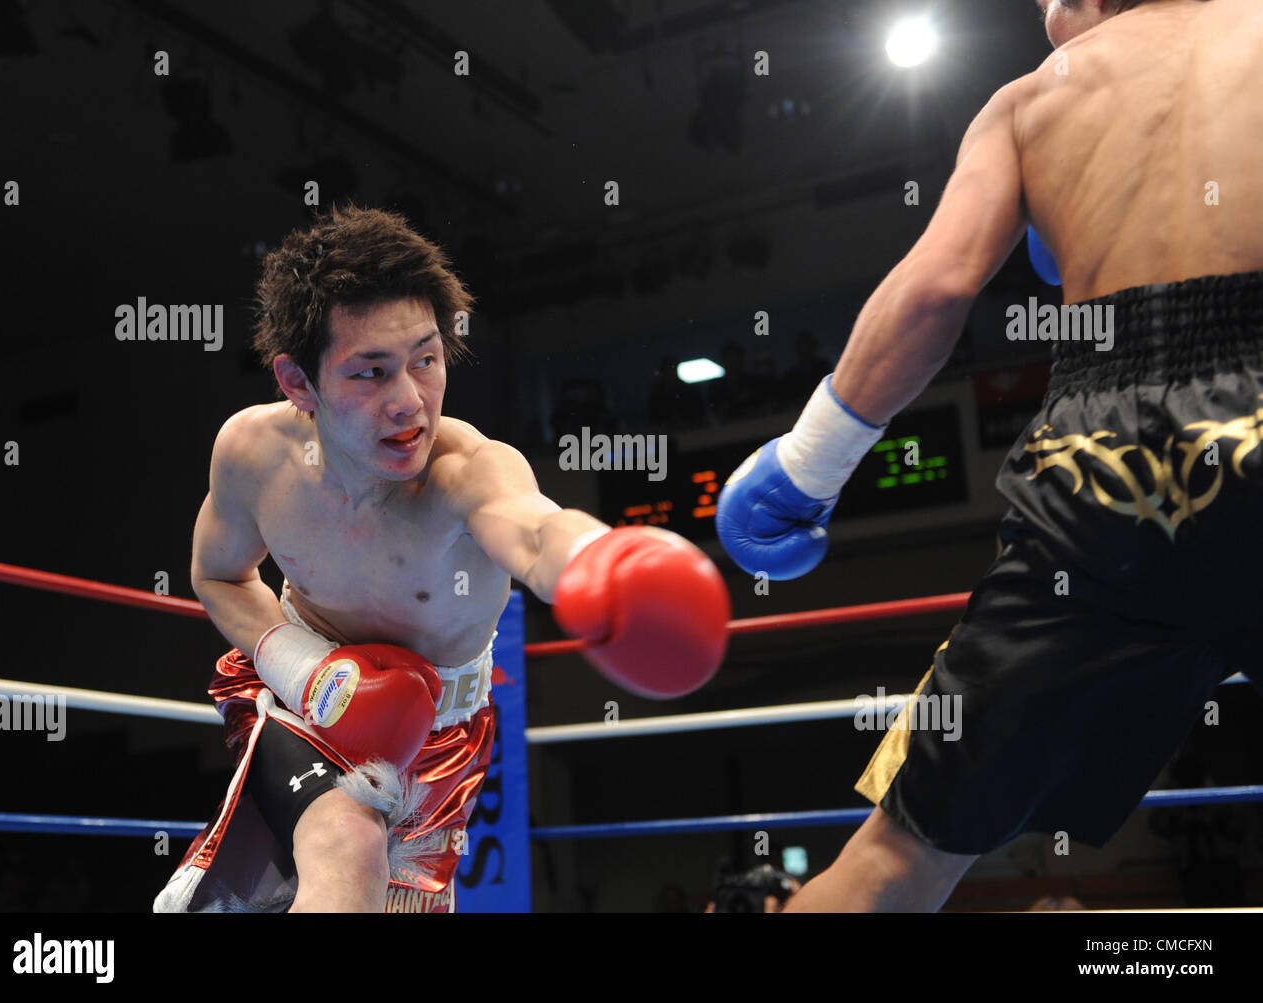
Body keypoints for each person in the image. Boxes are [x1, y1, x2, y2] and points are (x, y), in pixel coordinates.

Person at [716, 0, 1262, 911]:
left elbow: (933, 290)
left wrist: (808, 465)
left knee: (895, 859)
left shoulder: (1027, 103)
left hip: (1099, 472)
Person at [155, 206, 731, 913]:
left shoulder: (466, 474)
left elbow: (536, 530)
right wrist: (306, 670)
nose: (409, 403)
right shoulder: (255, 455)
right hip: (304, 702)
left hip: (442, 741)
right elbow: (216, 573)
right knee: (347, 843)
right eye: (370, 372)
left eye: (425, 360)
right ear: (297, 382)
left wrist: (602, 563)